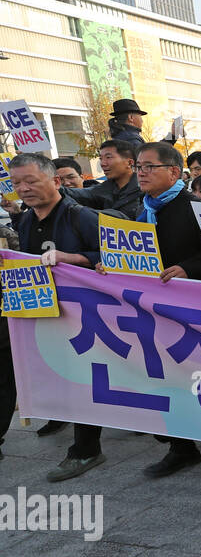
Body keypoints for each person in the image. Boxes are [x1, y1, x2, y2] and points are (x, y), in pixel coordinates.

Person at [129, 143, 201, 477]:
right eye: (138, 166)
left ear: (174, 172)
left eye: (149, 166)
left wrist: (188, 268)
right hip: (153, 309)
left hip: (196, 311)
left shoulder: (197, 208)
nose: (141, 172)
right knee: (163, 376)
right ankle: (181, 447)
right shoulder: (143, 208)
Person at [2, 154, 106, 480]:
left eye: (31, 180)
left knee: (84, 380)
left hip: (87, 318)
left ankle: (86, 450)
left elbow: (116, 258)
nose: (24, 188)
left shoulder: (82, 216)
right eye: (17, 183)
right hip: (46, 314)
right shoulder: (26, 221)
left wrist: (71, 258)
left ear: (56, 181)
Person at [61, 139, 143, 221]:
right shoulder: (103, 189)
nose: (103, 163)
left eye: (108, 157)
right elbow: (79, 193)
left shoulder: (145, 189)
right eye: (101, 158)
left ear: (129, 163)